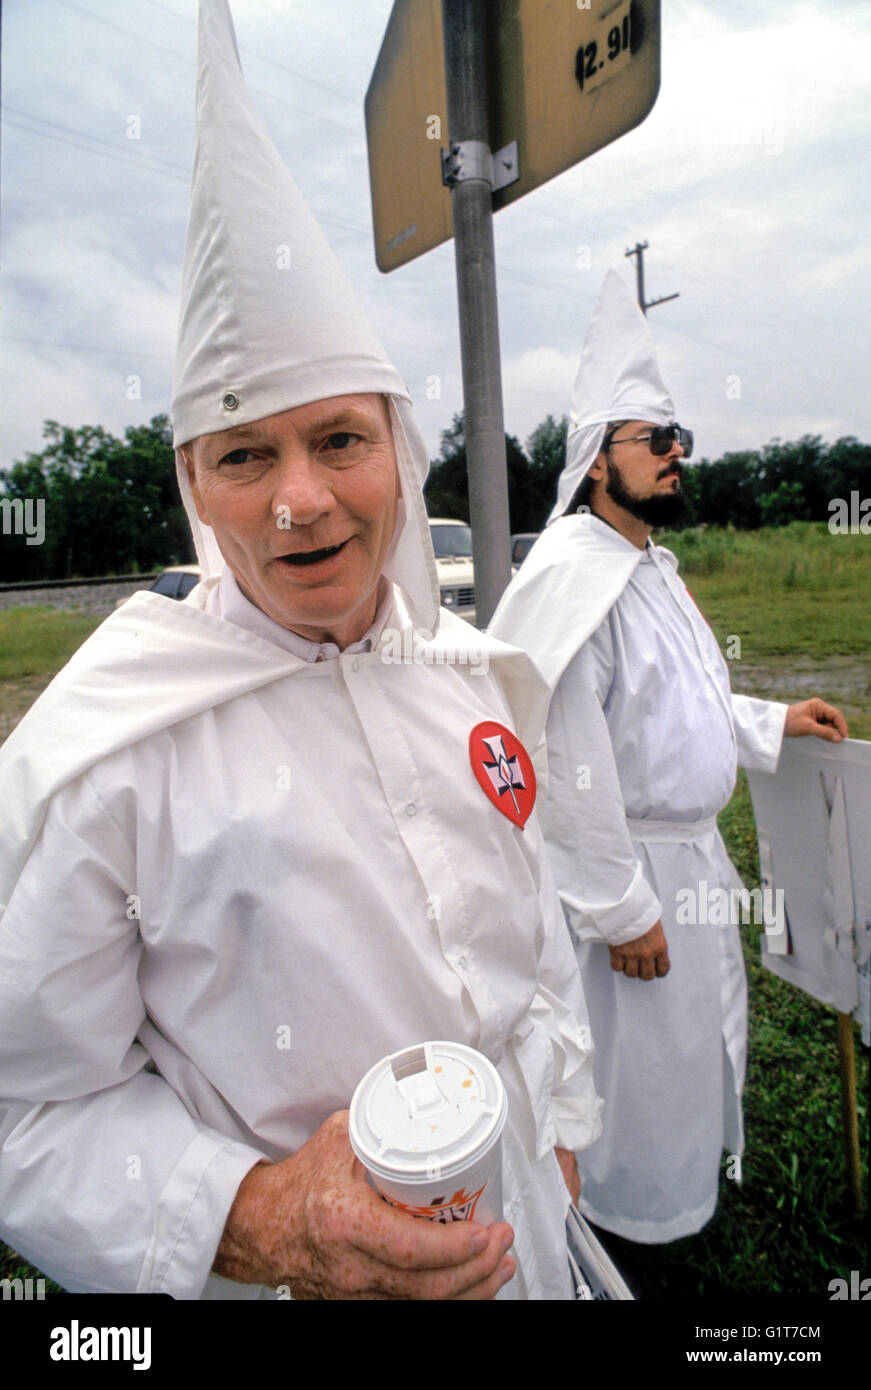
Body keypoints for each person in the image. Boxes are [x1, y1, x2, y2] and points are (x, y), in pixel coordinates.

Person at [0, 0, 603, 1300]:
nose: (299, 501)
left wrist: (553, 1118)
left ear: (400, 452)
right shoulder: (111, 758)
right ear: (193, 489)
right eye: (243, 456)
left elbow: (529, 939)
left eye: (337, 439)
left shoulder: (470, 678)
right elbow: (26, 1117)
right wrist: (258, 1217)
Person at [488, 270, 848, 1249]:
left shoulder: (648, 567)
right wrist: (619, 908)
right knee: (632, 1069)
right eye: (655, 439)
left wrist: (773, 720)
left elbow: (682, 702)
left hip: (683, 865)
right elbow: (566, 758)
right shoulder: (570, 576)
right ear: (596, 459)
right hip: (629, 876)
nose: (677, 453)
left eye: (680, 436)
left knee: (687, 1051)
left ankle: (672, 1195)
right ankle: (619, 1216)